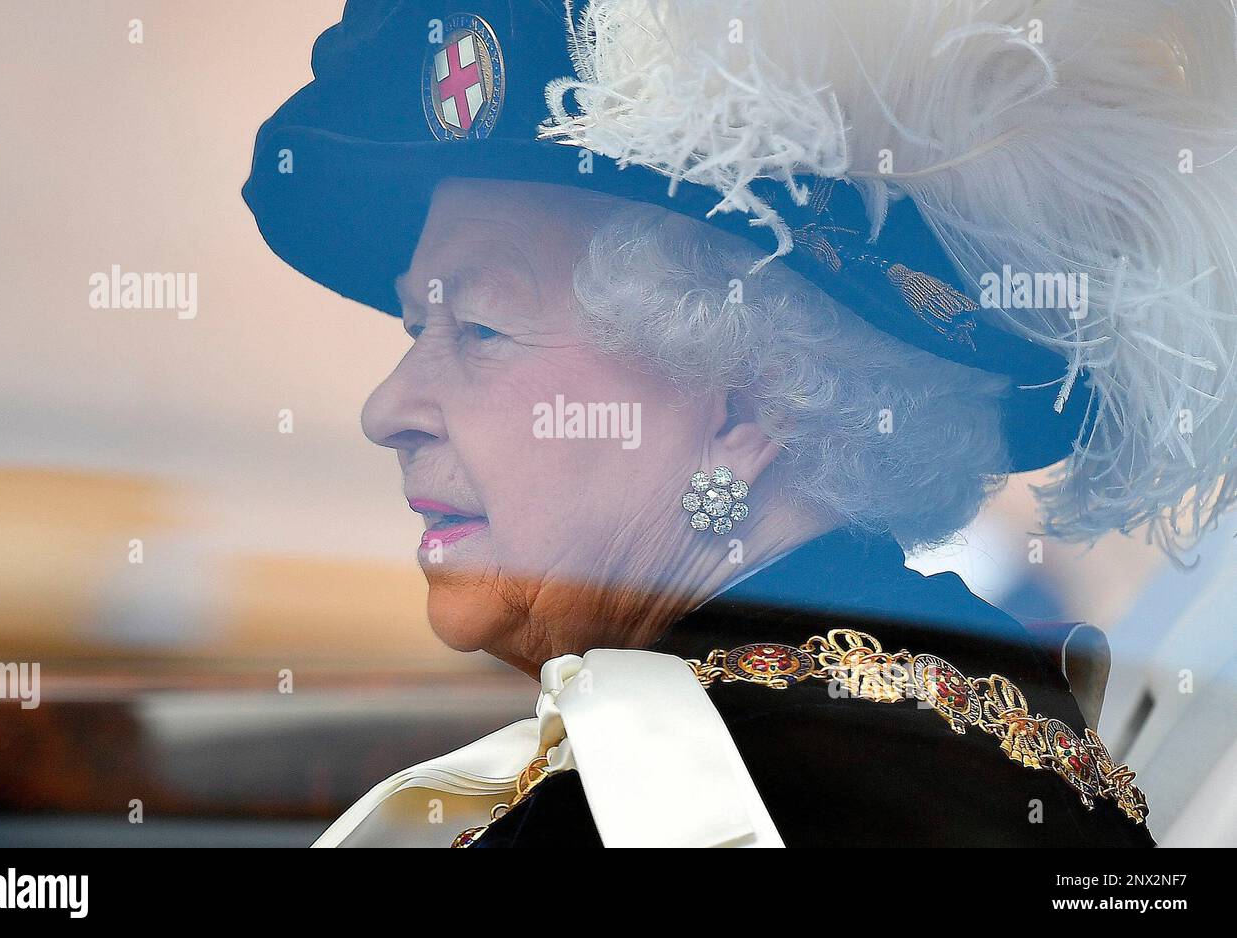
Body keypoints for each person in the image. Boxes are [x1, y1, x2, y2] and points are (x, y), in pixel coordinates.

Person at [242, 0, 1237, 847]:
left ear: (742, 402)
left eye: (481, 326)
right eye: (418, 323)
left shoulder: (690, 807)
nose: (387, 410)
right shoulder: (963, 731)